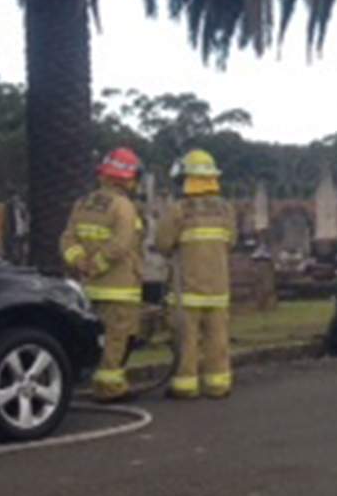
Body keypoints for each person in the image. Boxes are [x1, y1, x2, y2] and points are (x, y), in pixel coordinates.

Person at [60, 147, 146, 402]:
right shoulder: (123, 206)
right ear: (126, 178)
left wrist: (80, 263)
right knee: (117, 338)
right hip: (120, 286)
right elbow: (120, 244)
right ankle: (110, 388)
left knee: (96, 337)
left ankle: (99, 382)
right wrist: (97, 264)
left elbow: (67, 239)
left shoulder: (83, 203)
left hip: (88, 286)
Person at [156, 149, 238, 400]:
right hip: (218, 288)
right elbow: (231, 242)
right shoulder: (226, 210)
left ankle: (185, 385)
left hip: (187, 289)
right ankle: (218, 384)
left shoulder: (179, 210)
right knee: (218, 339)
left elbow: (163, 243)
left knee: (187, 340)